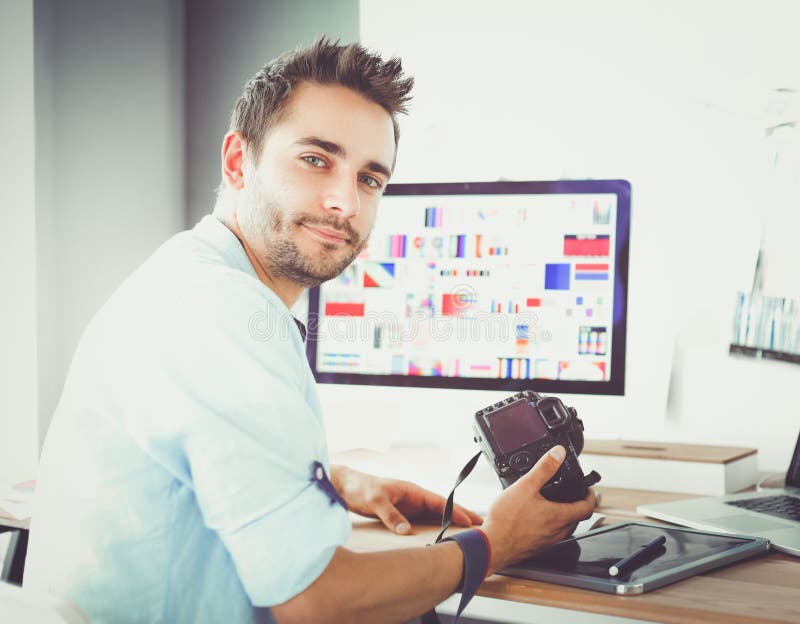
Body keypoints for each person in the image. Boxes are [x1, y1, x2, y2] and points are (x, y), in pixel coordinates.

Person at [25, 37, 595, 623]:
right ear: (237, 162)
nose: (344, 201)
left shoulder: (193, 275)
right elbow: (314, 602)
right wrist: (495, 543)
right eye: (316, 159)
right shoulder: (217, 309)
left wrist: (327, 480)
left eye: (370, 178)